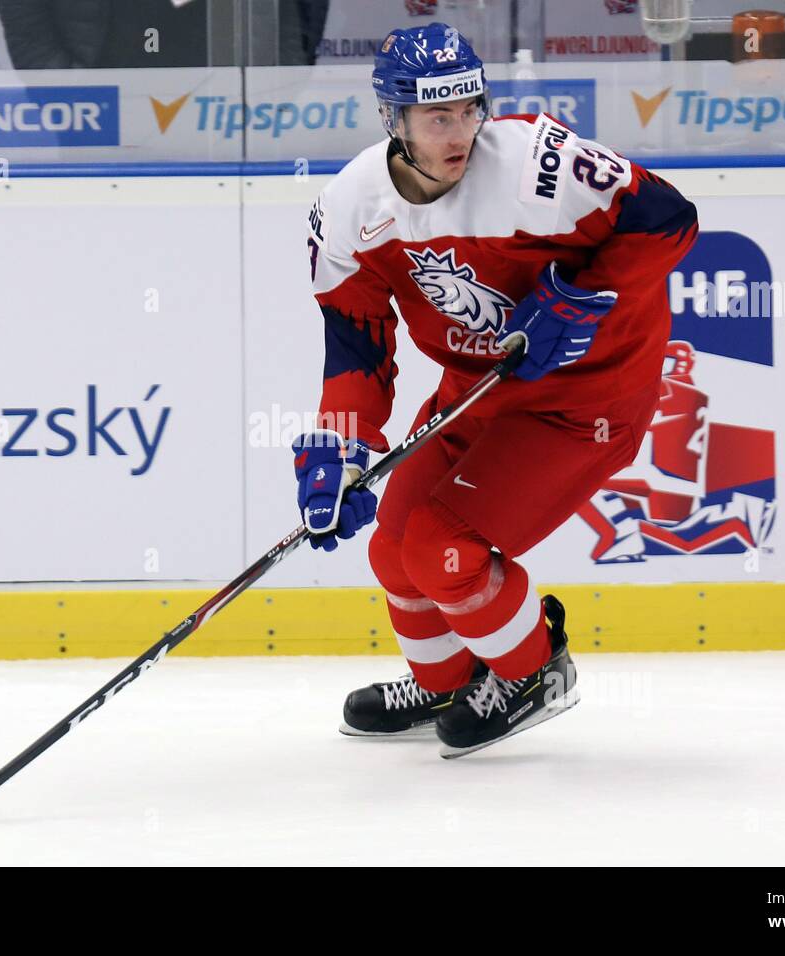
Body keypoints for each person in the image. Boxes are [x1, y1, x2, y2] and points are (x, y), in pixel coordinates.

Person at [291, 21, 699, 757]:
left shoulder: (536, 163)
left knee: (446, 550)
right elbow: (356, 347)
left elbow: (670, 219)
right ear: (394, 119)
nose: (460, 133)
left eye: (470, 110)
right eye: (437, 117)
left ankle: (536, 672)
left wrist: (583, 291)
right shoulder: (349, 209)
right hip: (478, 389)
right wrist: (340, 450)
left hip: (588, 396)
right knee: (395, 550)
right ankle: (449, 679)